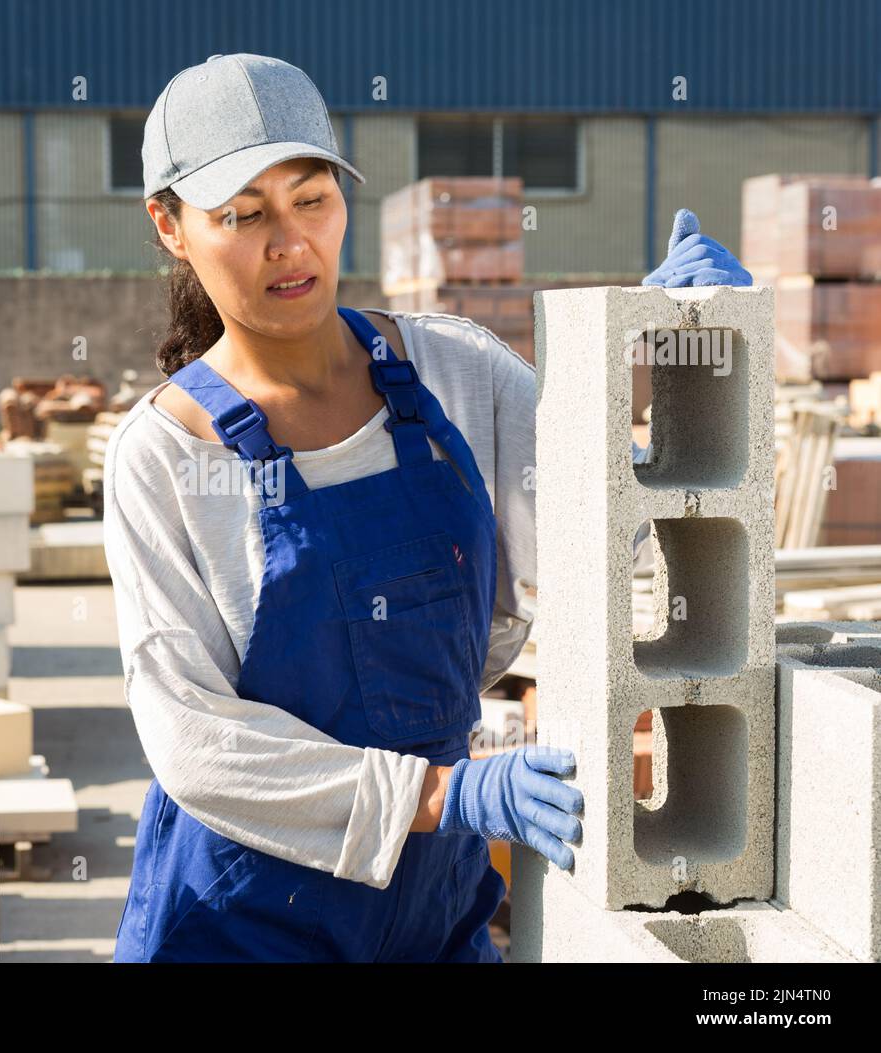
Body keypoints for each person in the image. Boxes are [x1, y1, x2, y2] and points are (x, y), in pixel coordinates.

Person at [104, 52, 752, 963]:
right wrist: (450, 797)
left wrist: (665, 335)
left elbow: (596, 489)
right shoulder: (166, 458)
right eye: (244, 215)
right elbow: (194, 738)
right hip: (243, 920)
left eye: (312, 200)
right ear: (170, 226)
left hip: (431, 910)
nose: (289, 243)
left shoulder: (452, 372)